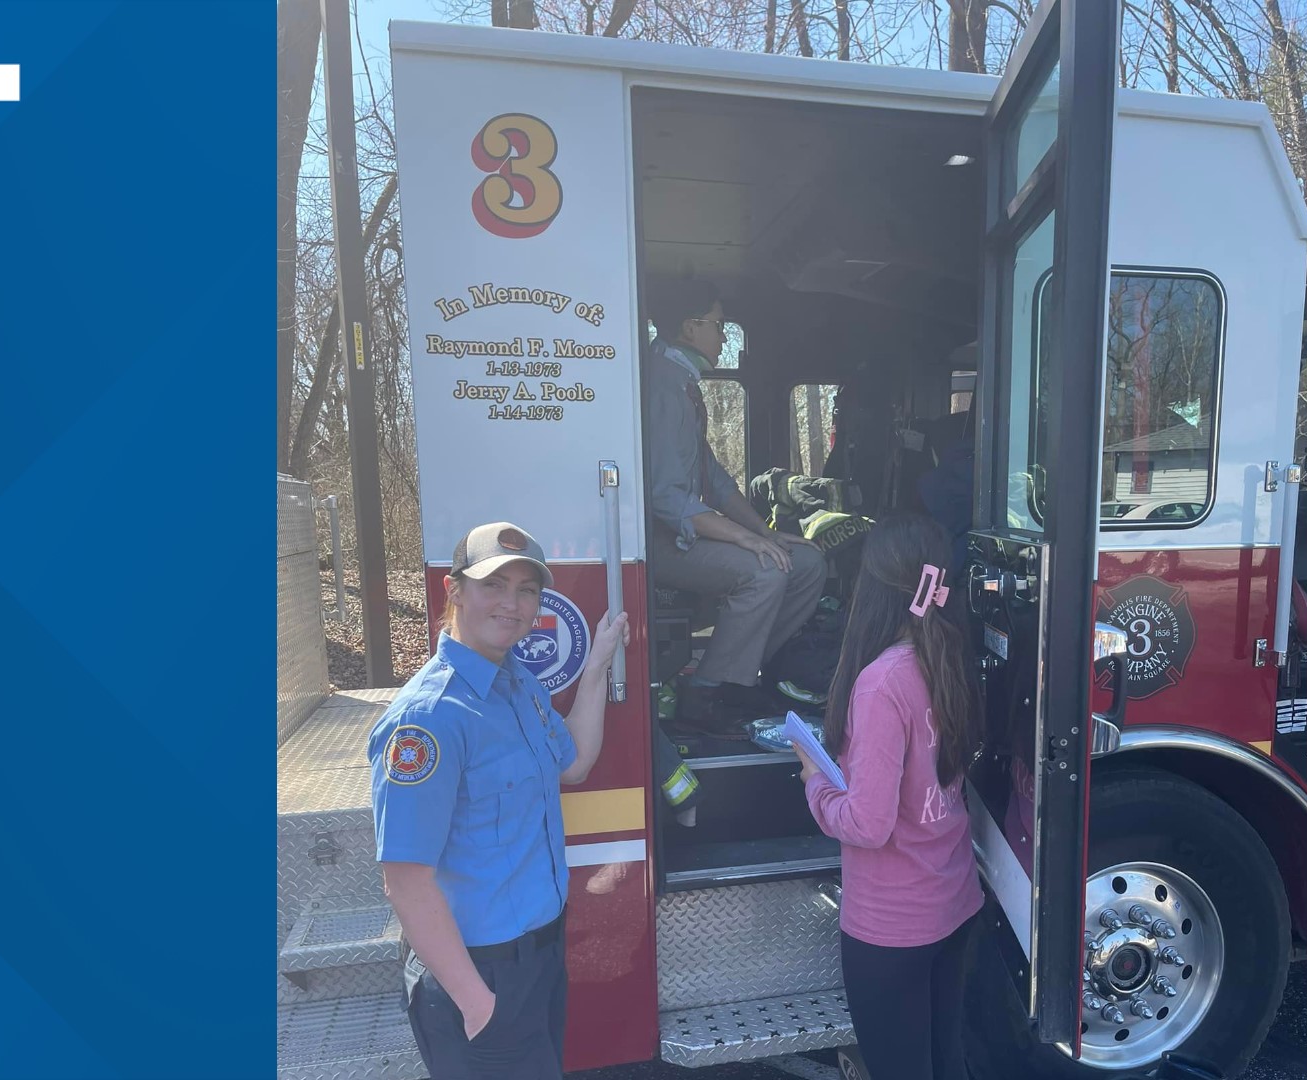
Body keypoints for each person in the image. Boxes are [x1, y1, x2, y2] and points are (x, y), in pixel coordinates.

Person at [369, 522, 629, 1080]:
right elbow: (406, 880)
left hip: (536, 962)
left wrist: (599, 666)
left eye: (527, 589)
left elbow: (576, 763)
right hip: (479, 978)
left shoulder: (517, 682)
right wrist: (477, 1005)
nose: (512, 604)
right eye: (494, 584)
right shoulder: (428, 719)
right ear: (454, 591)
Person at [795, 514, 984, 1080]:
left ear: (872, 587)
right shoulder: (949, 655)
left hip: (892, 929)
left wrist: (813, 778)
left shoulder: (880, 683)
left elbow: (867, 823)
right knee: (946, 1061)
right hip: (955, 902)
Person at [645, 277, 826, 738]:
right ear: (690, 327)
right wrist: (743, 539)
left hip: (685, 534)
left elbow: (717, 483)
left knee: (806, 561)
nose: (724, 335)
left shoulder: (683, 382)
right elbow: (666, 498)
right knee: (765, 571)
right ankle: (704, 693)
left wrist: (764, 532)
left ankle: (742, 675)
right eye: (719, 324)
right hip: (659, 543)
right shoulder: (664, 386)